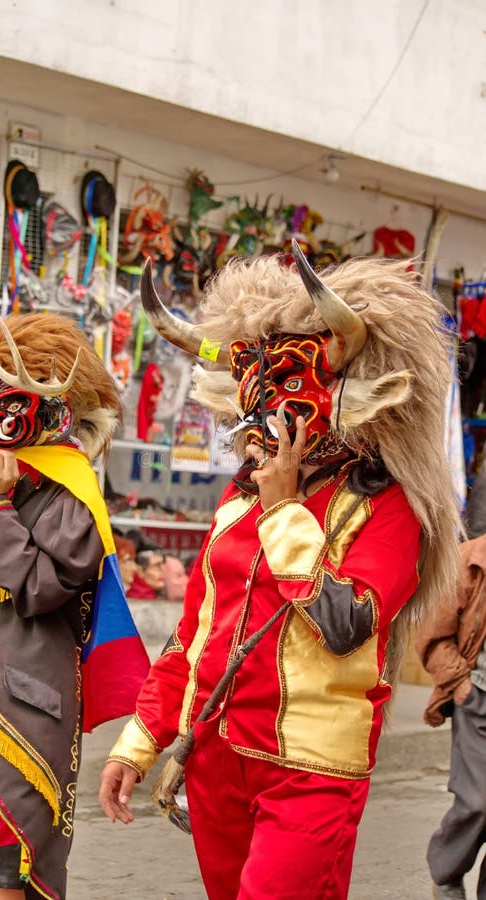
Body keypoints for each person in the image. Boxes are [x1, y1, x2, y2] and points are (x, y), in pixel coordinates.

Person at [99, 242, 461, 899]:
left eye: (288, 390)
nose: (264, 418)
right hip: (213, 758)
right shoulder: (240, 499)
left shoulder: (390, 505)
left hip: (311, 772)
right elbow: (193, 637)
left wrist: (286, 507)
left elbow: (346, 623)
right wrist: (139, 743)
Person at [0, 313, 149, 900]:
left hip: (21, 708)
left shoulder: (72, 489)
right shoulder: (0, 476)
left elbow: (37, 589)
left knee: (6, 866)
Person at [416, 534, 486, 900]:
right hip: (479, 699)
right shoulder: (471, 559)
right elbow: (433, 635)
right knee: (479, 801)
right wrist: (460, 685)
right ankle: (446, 872)